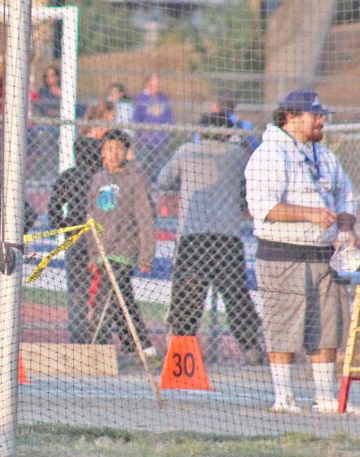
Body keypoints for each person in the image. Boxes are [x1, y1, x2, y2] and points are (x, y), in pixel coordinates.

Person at [244, 90, 358, 414]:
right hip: (283, 253)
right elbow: (262, 207)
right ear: (291, 118)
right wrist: (310, 213)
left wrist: (346, 227)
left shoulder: (323, 155)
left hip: (323, 254)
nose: (322, 121)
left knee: (326, 326)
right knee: (283, 324)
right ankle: (284, 397)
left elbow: (345, 193)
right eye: (316, 115)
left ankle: (325, 397)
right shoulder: (270, 154)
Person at [156, 113, 262, 363]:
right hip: (226, 237)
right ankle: (250, 348)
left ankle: (180, 352)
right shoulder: (236, 155)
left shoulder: (186, 151)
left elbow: (163, 181)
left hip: (193, 237)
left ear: (202, 131)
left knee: (187, 296)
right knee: (236, 295)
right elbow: (248, 185)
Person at [85, 129, 156, 356]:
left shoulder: (135, 179)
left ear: (127, 152)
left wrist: (146, 254)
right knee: (121, 299)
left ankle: (97, 346)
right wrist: (93, 254)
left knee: (108, 297)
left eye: (119, 149)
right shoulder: (98, 179)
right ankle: (142, 347)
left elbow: (145, 218)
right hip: (103, 250)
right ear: (102, 152)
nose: (114, 154)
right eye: (109, 149)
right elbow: (93, 218)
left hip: (124, 248)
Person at [47, 134, 102, 344]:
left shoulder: (71, 175)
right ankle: (97, 335)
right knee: (99, 289)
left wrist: (63, 227)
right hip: (98, 238)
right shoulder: (102, 177)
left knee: (78, 289)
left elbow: (54, 208)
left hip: (77, 237)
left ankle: (79, 336)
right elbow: (54, 207)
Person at [130, 73, 174, 172]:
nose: (158, 85)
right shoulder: (140, 98)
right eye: (156, 82)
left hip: (161, 141)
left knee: (160, 167)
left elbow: (169, 118)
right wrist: (141, 132)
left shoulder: (163, 98)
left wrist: (167, 134)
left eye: (159, 82)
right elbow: (136, 118)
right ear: (148, 83)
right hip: (145, 141)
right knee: (144, 167)